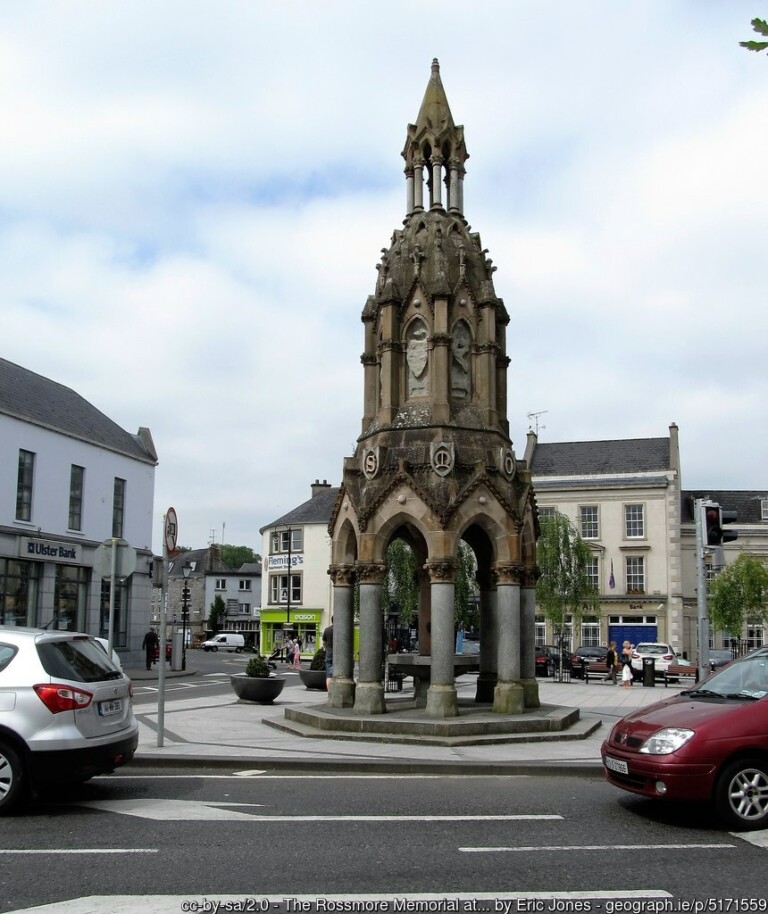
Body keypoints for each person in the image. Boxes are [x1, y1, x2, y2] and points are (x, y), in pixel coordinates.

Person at [322, 616, 334, 691]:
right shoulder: (341, 630)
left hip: (329, 653)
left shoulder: (327, 630)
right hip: (339, 655)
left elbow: (324, 642)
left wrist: (327, 649)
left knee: (329, 675)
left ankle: (329, 692)